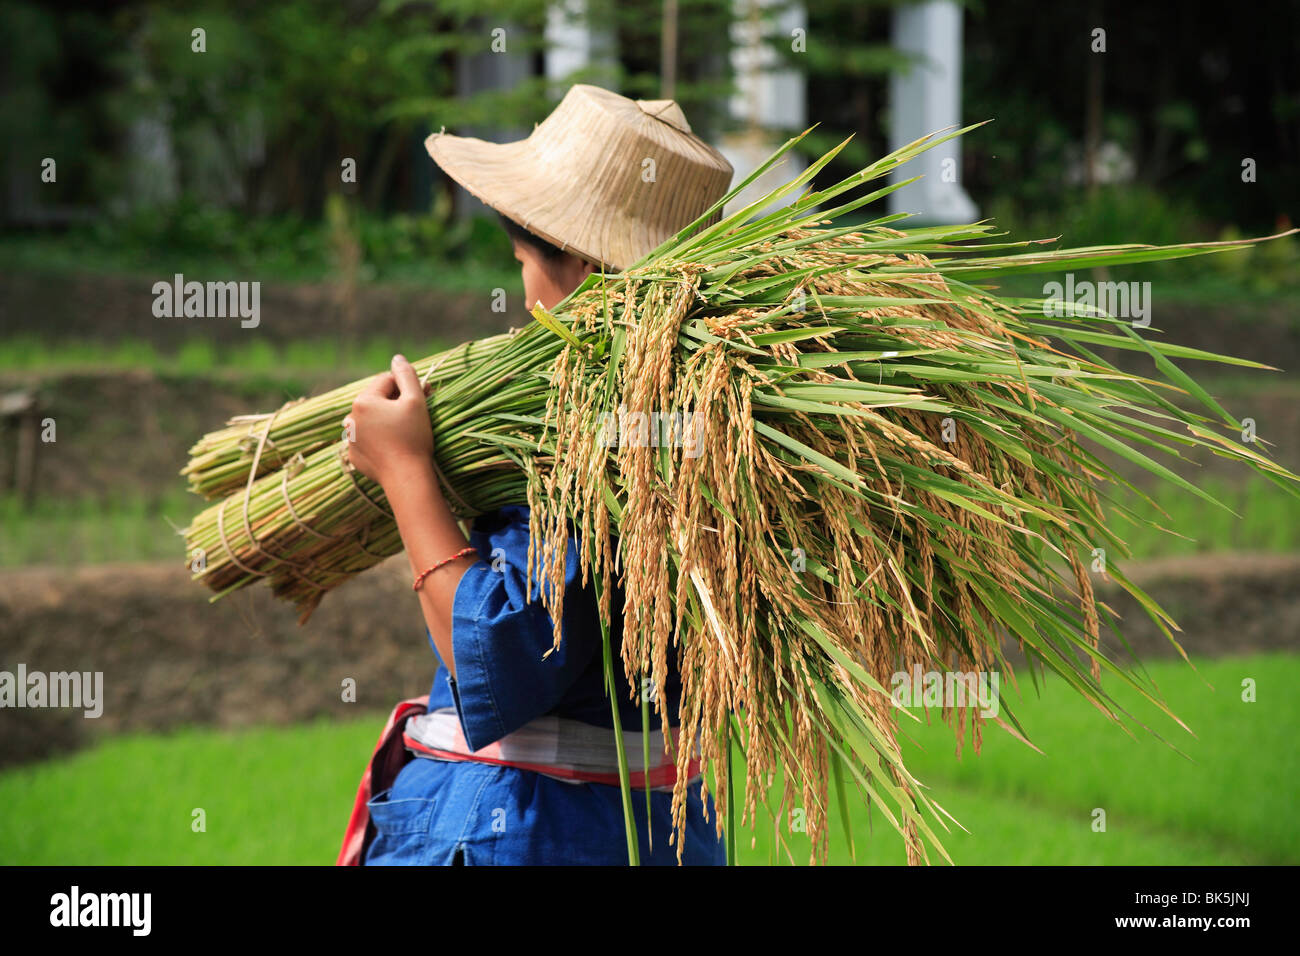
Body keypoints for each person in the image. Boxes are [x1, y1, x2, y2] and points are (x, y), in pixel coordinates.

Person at [336, 84, 735, 865]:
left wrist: (406, 469)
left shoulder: (596, 439)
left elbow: (495, 655)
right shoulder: (714, 428)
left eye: (523, 261)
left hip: (530, 831)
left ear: (582, 263)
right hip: (659, 832)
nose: (522, 293)